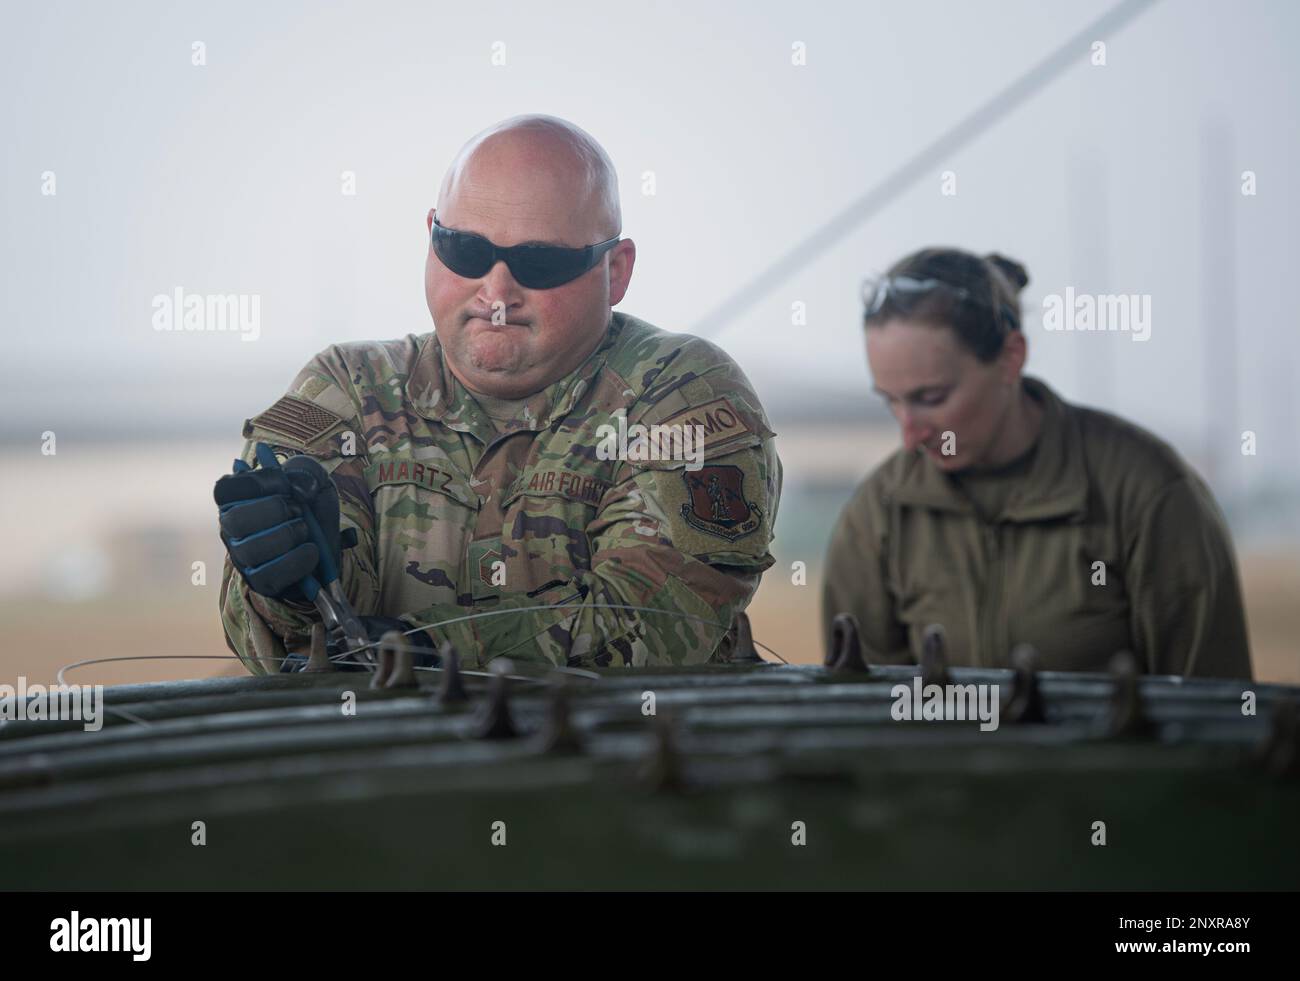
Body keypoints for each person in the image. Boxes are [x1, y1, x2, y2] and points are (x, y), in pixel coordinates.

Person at [217, 114, 781, 674]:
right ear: (431, 238)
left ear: (616, 270)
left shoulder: (680, 394)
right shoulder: (344, 390)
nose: (496, 292)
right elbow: (289, 648)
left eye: (539, 262)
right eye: (465, 250)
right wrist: (284, 587)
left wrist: (433, 650)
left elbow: (655, 625)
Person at [821, 246, 1251, 678]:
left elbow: (1214, 709)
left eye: (931, 399)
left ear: (1011, 357)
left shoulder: (1146, 494)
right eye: (891, 402)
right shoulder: (877, 516)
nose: (909, 434)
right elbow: (868, 711)